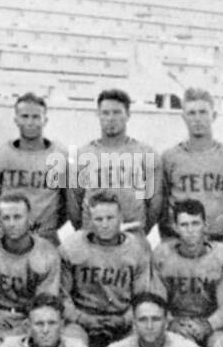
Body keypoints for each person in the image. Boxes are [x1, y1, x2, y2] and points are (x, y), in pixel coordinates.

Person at [0, 192, 61, 347]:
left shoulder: (46, 253)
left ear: (29, 218)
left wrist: (27, 325)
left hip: (27, 319)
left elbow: (45, 302)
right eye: (6, 218)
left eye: (17, 217)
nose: (12, 224)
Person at [60, 190, 153, 347]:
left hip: (121, 320)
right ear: (90, 220)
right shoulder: (72, 247)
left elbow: (143, 298)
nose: (104, 224)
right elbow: (61, 296)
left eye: (110, 218)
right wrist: (81, 319)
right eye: (98, 219)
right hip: (82, 319)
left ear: (121, 218)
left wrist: (125, 319)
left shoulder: (137, 250)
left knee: (142, 345)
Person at [68, 88, 164, 236]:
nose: (111, 118)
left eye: (117, 112)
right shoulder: (84, 154)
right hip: (93, 238)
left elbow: (155, 203)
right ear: (98, 115)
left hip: (132, 236)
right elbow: (74, 204)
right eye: (105, 113)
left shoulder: (146, 153)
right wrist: (87, 231)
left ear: (128, 115)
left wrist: (141, 231)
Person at [159, 88, 223, 242]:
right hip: (179, 241)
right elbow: (161, 206)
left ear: (214, 116)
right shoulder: (169, 158)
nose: (197, 119)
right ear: (183, 117)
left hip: (216, 240)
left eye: (203, 112)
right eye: (191, 113)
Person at [151, 199, 223, 347]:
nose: (190, 230)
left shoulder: (222, 255)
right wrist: (172, 323)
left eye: (195, 224)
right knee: (174, 346)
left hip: (210, 324)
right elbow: (158, 302)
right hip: (176, 324)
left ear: (205, 226)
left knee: (220, 346)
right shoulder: (162, 254)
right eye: (184, 225)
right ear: (175, 227)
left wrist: (208, 325)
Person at [0, 93, 68, 244]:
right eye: (25, 116)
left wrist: (49, 225)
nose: (30, 122)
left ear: (45, 120)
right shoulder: (1, 155)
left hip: (46, 236)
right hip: (9, 237)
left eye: (36, 117)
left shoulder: (59, 156)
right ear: (16, 120)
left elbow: (68, 202)